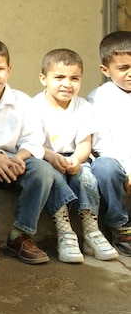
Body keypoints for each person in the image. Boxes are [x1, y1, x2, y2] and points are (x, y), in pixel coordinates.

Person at [0, 39, 75, 265]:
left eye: (0, 68)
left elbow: (33, 139)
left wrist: (18, 159)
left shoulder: (23, 101)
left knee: (42, 170)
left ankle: (20, 235)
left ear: (9, 70)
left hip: (14, 164)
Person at [33, 49, 117, 262]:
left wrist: (77, 160)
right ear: (44, 79)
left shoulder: (84, 107)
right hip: (45, 157)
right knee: (54, 177)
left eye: (74, 78)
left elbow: (85, 143)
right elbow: (34, 143)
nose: (67, 84)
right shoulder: (34, 106)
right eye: (59, 77)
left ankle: (91, 230)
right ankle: (65, 231)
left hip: (75, 156)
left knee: (87, 176)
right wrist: (52, 158)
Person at [88, 31, 131, 256]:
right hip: (117, 163)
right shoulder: (99, 97)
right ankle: (120, 225)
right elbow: (102, 142)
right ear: (105, 70)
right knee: (103, 167)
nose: (130, 73)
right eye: (123, 68)